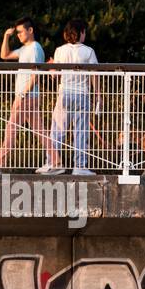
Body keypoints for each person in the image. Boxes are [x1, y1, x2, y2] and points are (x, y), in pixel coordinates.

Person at [0, 17, 56, 172]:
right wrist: (6, 36)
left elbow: (36, 73)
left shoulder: (35, 48)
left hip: (26, 96)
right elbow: (4, 55)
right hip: (28, 96)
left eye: (20, 32)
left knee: (11, 129)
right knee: (40, 131)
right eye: (17, 32)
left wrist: (24, 94)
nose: (18, 35)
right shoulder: (25, 49)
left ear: (30, 30)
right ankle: (57, 162)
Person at [49, 19, 100, 175]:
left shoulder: (60, 50)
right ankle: (80, 166)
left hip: (64, 94)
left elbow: (54, 75)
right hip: (82, 94)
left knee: (58, 130)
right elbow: (95, 75)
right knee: (81, 131)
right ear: (81, 33)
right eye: (84, 31)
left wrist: (51, 66)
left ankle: (53, 162)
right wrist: (98, 95)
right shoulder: (88, 51)